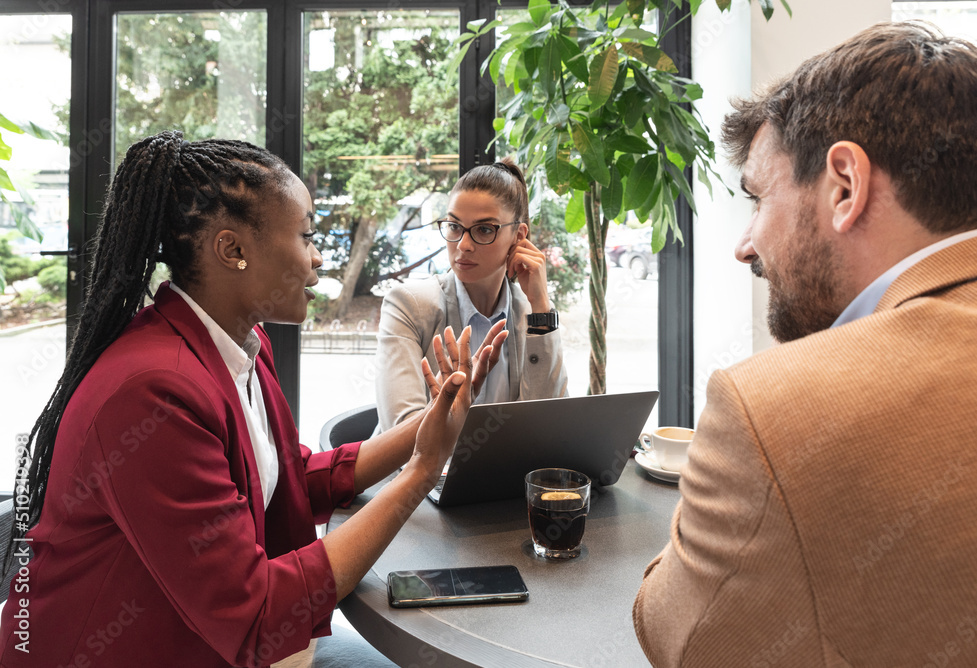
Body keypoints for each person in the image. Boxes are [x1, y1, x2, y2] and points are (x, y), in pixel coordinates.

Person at [0, 131, 505, 668]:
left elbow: (292, 477)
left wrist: (433, 420)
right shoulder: (153, 393)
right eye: (307, 236)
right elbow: (255, 617)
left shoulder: (240, 343)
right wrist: (422, 471)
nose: (317, 259)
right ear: (232, 249)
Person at [633, 22, 977, 666]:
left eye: (757, 197)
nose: (744, 244)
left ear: (844, 187)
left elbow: (676, 638)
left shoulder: (772, 409)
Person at [375, 159, 568, 430]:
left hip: (504, 472)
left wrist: (541, 306)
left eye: (484, 230)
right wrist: (446, 408)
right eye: (454, 226)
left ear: (518, 235)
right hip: (423, 473)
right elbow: (399, 433)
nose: (463, 245)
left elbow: (549, 425)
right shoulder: (408, 305)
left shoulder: (532, 317)